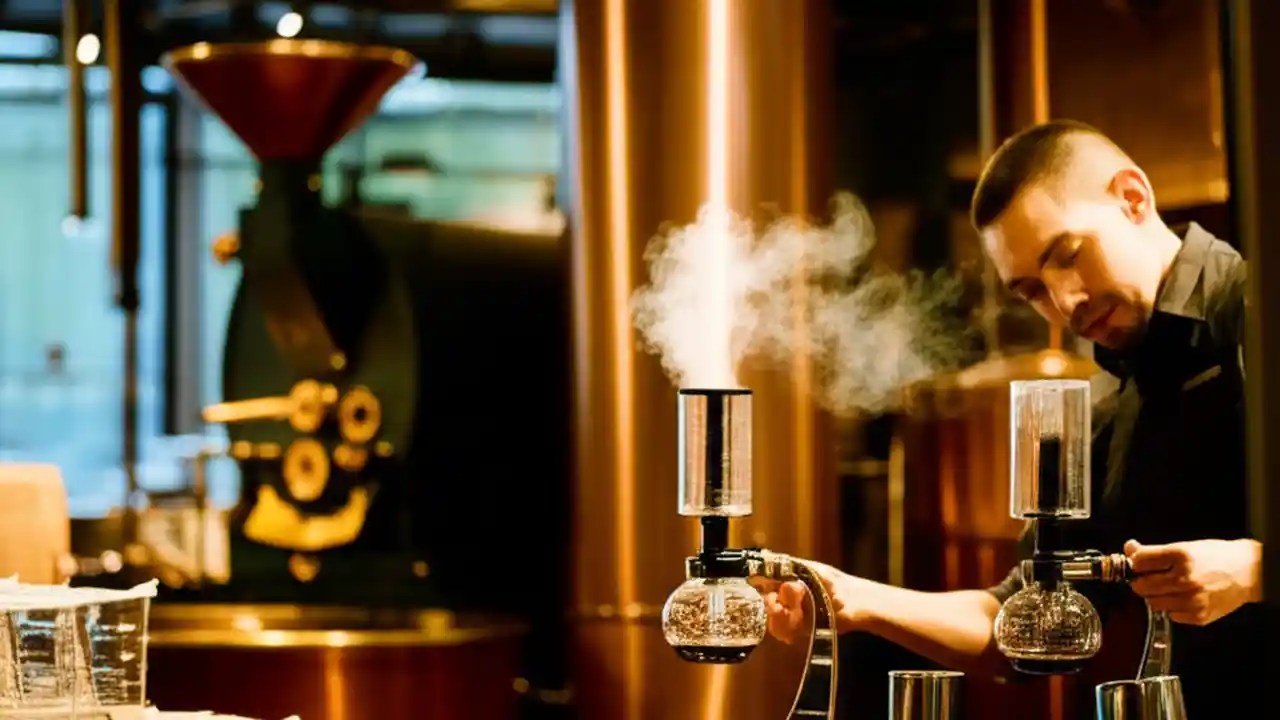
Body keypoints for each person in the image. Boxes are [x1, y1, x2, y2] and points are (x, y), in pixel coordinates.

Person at [758, 119, 1264, 717]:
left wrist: (1256, 570)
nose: (1066, 304)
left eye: (1070, 256)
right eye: (1032, 290)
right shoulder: (1111, 410)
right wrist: (853, 599)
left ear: (1133, 198)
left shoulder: (1259, 313)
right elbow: (1016, 621)